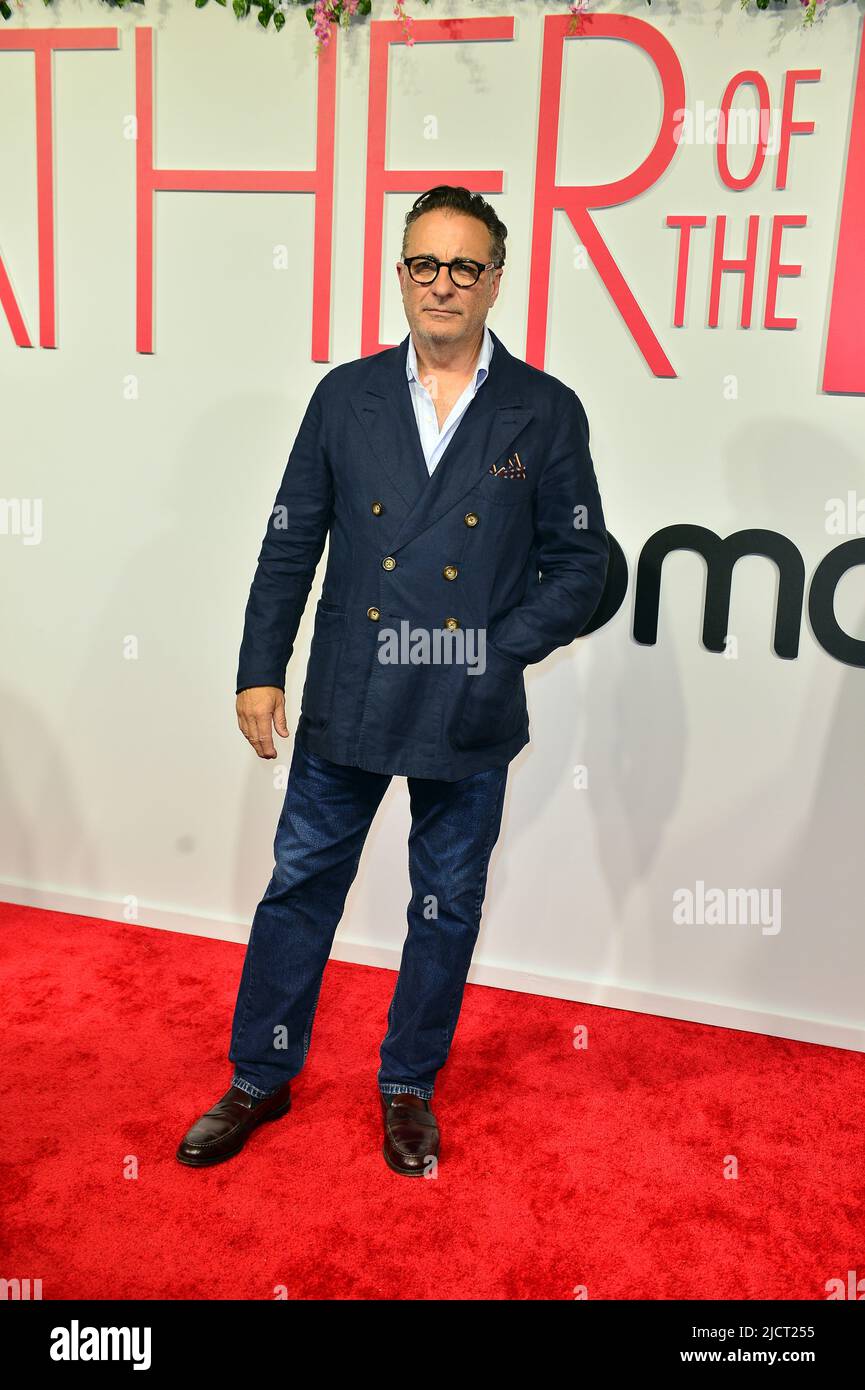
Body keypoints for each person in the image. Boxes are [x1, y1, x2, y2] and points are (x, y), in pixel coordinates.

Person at [176, 184, 609, 1176]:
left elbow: (579, 567)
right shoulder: (347, 395)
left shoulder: (542, 411)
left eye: (464, 265)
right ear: (399, 272)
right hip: (353, 690)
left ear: (496, 279)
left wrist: (494, 648)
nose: (442, 283)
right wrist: (258, 666)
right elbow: (291, 540)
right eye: (425, 262)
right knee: (298, 890)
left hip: (467, 701)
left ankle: (408, 1084)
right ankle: (259, 1076)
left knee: (444, 904)